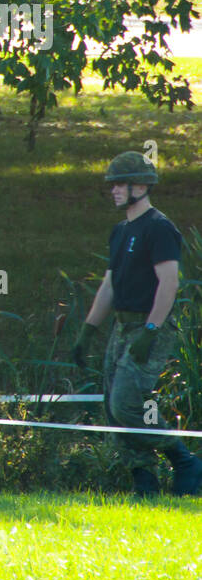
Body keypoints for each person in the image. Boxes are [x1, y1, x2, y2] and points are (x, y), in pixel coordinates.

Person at [69, 151, 202, 497]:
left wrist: (152, 330)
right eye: (112, 185)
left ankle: (183, 458)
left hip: (149, 327)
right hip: (121, 328)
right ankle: (144, 481)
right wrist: (88, 331)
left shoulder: (159, 228)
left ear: (141, 186)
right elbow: (109, 285)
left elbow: (169, 283)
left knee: (127, 402)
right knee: (113, 407)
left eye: (120, 184)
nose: (113, 190)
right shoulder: (121, 230)